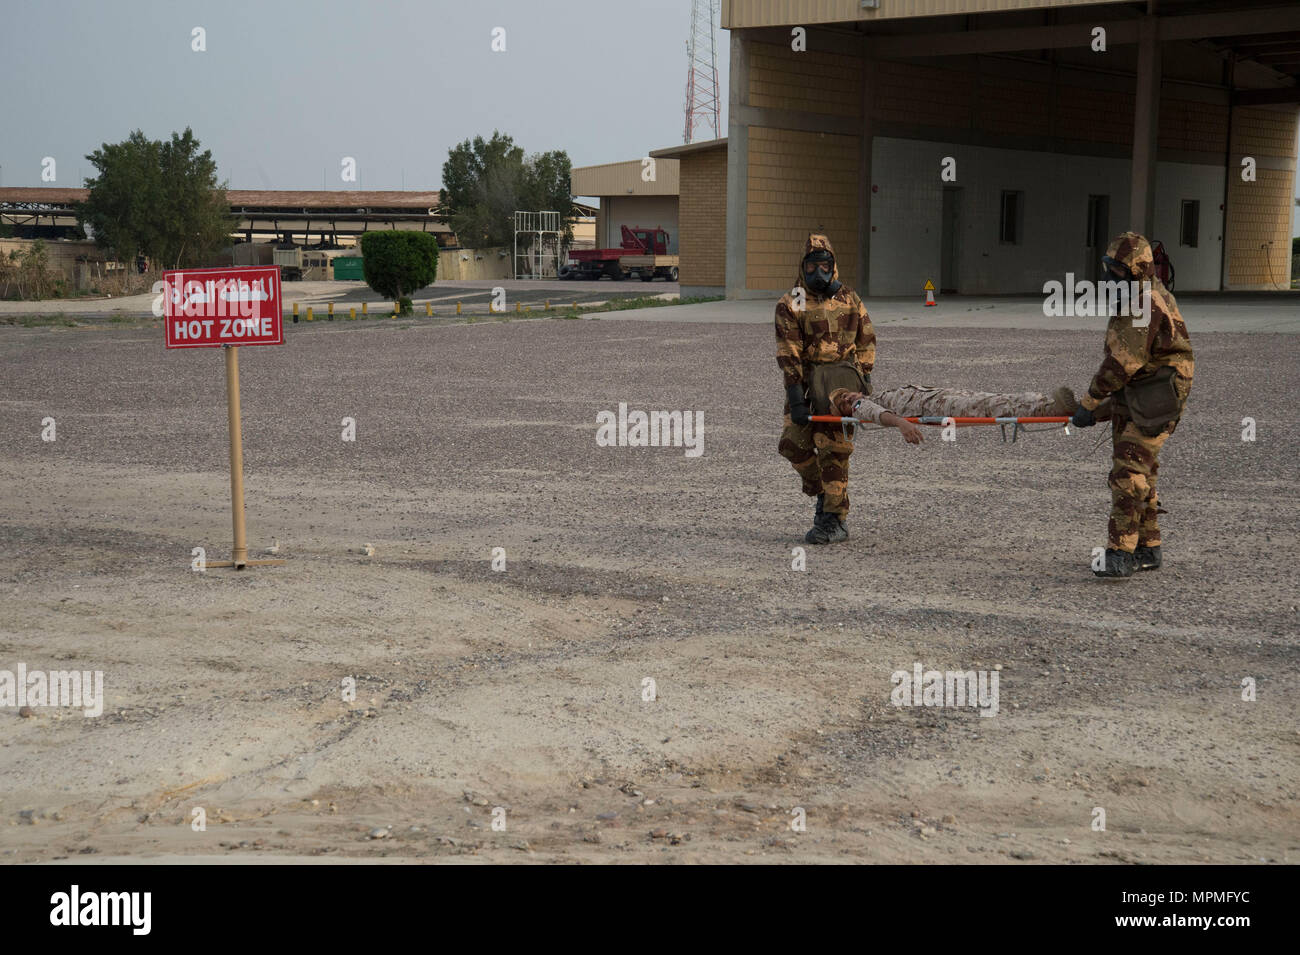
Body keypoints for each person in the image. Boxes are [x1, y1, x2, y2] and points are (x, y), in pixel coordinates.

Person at [1068, 232, 1194, 578]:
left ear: (1135, 271)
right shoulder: (1139, 294)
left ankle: (1120, 553)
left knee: (1127, 472)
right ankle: (1148, 548)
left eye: (1115, 270)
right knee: (1143, 472)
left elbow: (1122, 363)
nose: (1108, 276)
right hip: (1141, 391)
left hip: (1155, 396)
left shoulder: (1143, 302)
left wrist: (1089, 404)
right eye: (1106, 268)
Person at [776, 234, 875, 544]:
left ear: (833, 265)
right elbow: (788, 352)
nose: (818, 272)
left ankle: (833, 519)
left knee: (834, 452)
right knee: (793, 446)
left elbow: (867, 342)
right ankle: (823, 493)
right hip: (805, 387)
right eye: (811, 266)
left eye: (824, 265)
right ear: (802, 267)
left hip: (840, 388)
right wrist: (796, 399)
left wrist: (862, 383)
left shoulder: (850, 299)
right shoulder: (791, 303)